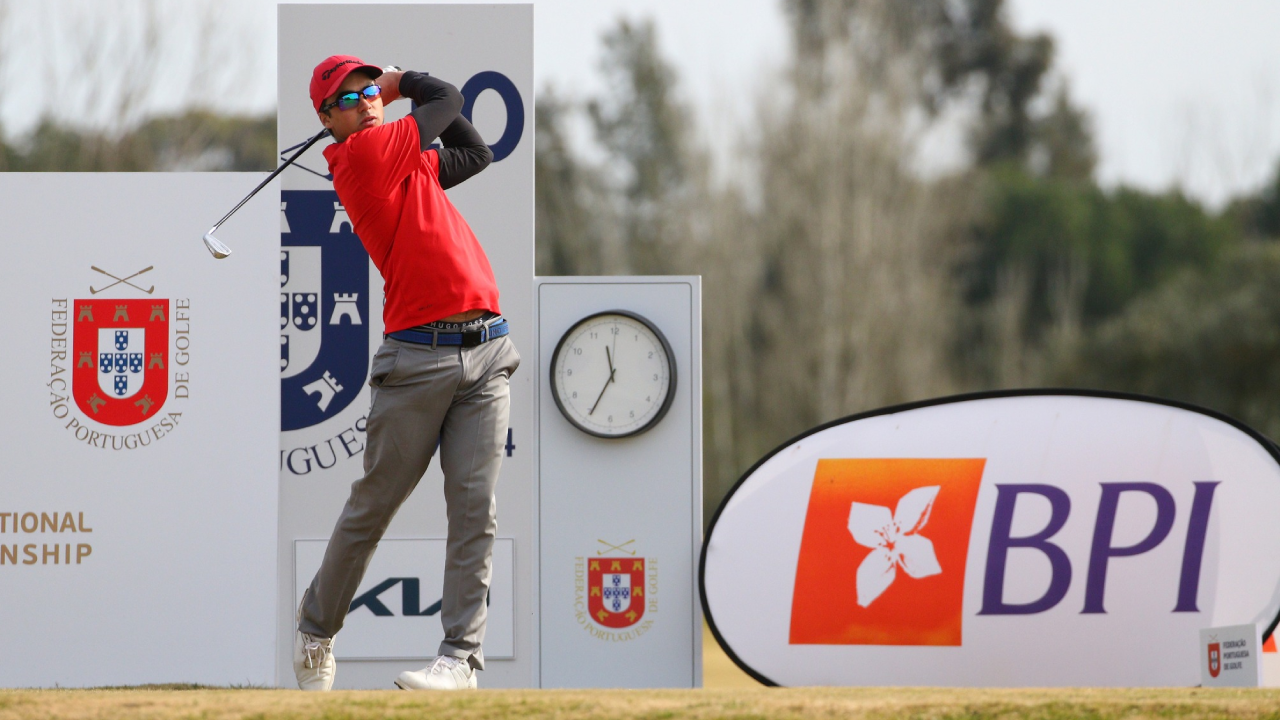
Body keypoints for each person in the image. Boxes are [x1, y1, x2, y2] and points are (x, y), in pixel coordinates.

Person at [293, 55, 519, 692]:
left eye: (369, 89)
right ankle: (315, 629)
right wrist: (398, 83)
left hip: (487, 351)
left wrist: (389, 94)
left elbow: (475, 154)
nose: (365, 100)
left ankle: (460, 659)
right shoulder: (362, 156)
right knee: (374, 506)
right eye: (348, 97)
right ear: (327, 119)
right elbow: (447, 99)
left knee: (474, 511)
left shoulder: (404, 157)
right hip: (418, 360)